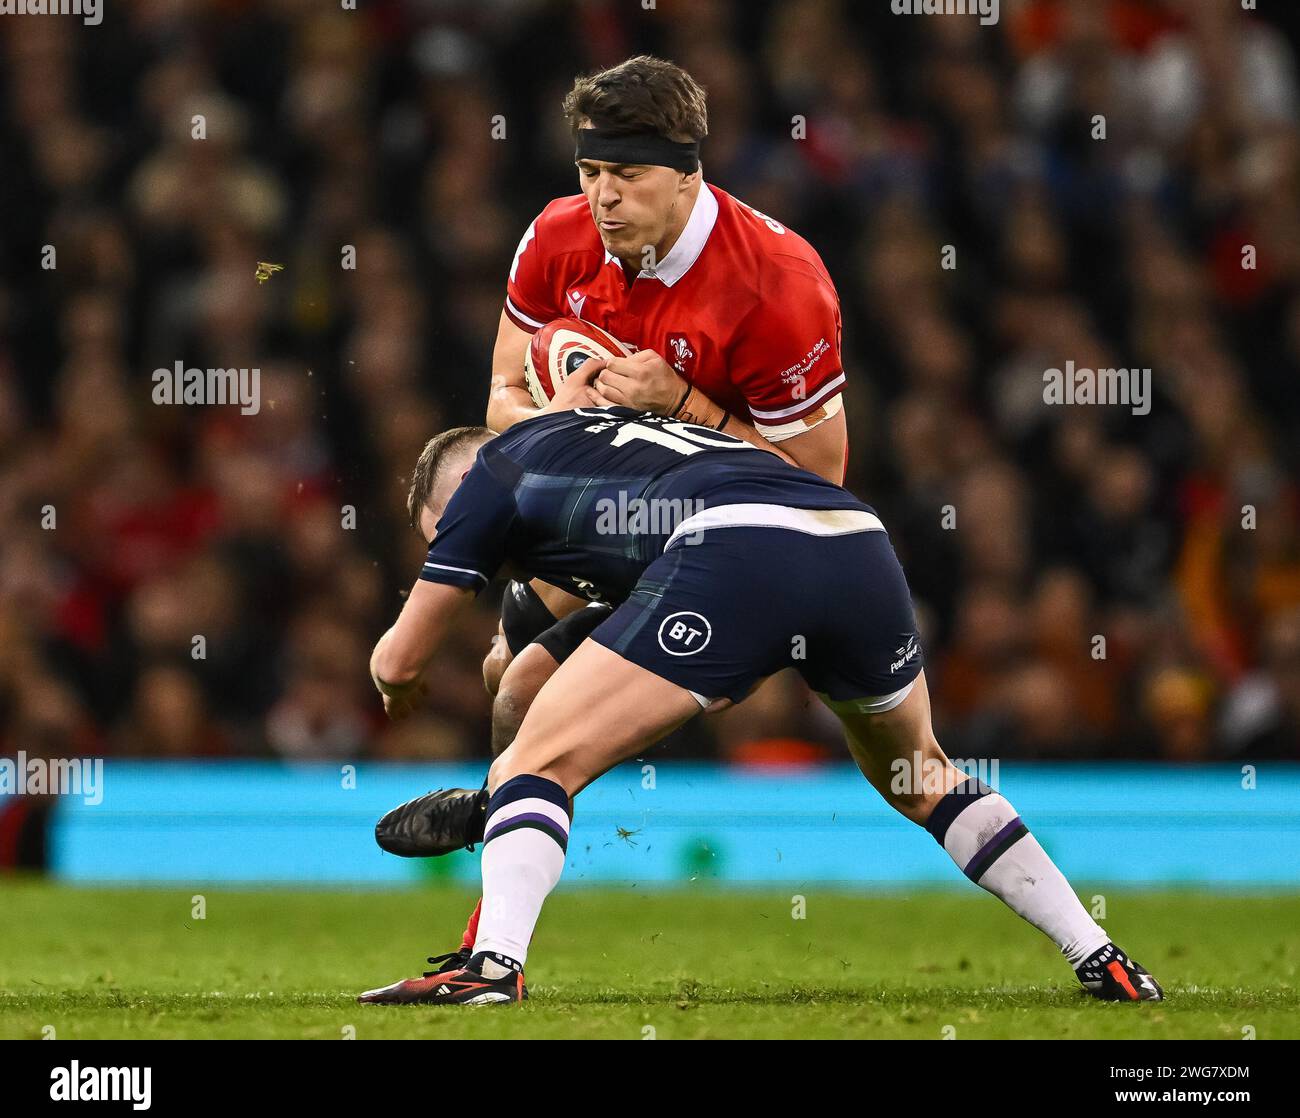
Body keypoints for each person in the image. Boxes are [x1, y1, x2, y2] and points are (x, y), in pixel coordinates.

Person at [358, 406, 1163, 1005]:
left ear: (455, 490)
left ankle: (492, 968)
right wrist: (493, 799)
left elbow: (401, 659)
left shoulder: (490, 474)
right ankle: (1101, 956)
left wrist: (401, 684)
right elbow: (537, 666)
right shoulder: (585, 449)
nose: (457, 547)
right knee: (922, 776)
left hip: (737, 547)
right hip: (855, 540)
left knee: (545, 761)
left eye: (443, 533)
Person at [381, 53, 854, 963]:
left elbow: (819, 480)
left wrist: (685, 404)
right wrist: (558, 421)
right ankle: (505, 881)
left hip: (736, 543)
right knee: (501, 678)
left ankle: (495, 897)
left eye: (627, 177)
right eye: (591, 173)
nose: (603, 198)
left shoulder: (779, 282)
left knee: (522, 686)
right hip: (614, 527)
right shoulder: (556, 238)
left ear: (687, 176)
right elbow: (499, 401)